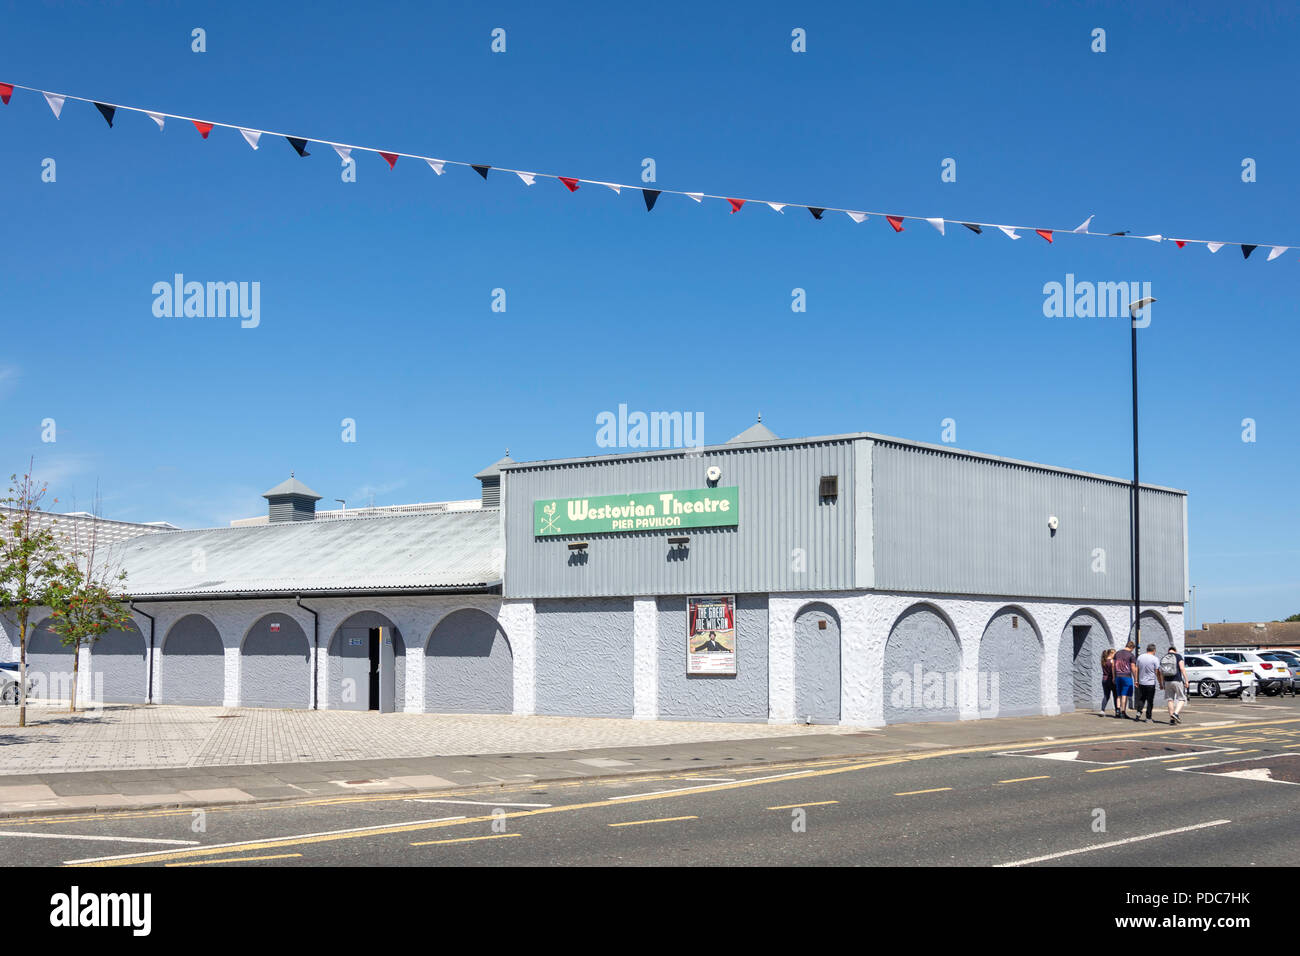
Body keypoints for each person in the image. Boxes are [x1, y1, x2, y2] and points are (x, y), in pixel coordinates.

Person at [1160, 644, 1188, 724]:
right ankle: (1175, 714)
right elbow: (1182, 669)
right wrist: (1186, 680)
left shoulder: (1164, 658)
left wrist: (1162, 683)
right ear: (1175, 650)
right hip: (1177, 680)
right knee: (1182, 698)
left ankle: (1172, 720)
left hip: (1167, 681)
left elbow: (1161, 672)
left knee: (1170, 699)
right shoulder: (1178, 656)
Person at [1134, 643, 1161, 722]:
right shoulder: (1155, 659)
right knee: (1150, 701)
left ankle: (1139, 712)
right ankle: (1148, 717)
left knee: (1142, 698)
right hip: (1150, 683)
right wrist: (1160, 683)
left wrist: (1136, 680)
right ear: (1154, 650)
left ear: (1147, 649)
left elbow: (1136, 670)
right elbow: (1157, 672)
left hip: (1142, 682)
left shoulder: (1140, 657)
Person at [1112, 641, 1136, 719]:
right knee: (1124, 695)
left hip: (1118, 676)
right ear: (1132, 647)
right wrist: (1135, 678)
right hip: (1126, 676)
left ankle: (1117, 711)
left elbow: (1113, 665)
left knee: (1118, 694)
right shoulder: (1131, 655)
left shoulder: (1117, 653)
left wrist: (1114, 676)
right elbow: (1132, 667)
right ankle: (1123, 712)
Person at [1100, 648, 1117, 715]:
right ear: (1111, 653)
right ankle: (1117, 711)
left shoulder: (1103, 661)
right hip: (1111, 680)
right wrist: (1114, 678)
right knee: (1115, 695)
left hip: (1104, 679)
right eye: (1114, 654)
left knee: (1106, 695)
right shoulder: (1112, 661)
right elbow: (1113, 671)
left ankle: (1102, 710)